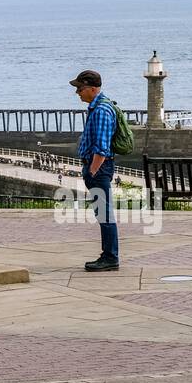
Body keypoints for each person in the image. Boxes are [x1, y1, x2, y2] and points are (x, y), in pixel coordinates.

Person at [71, 69, 119, 272]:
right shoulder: (99, 106)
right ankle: (108, 254)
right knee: (103, 213)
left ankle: (110, 257)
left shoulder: (101, 110)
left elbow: (102, 148)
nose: (77, 93)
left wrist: (91, 171)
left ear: (92, 88)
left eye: (80, 88)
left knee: (104, 213)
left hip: (99, 168)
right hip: (98, 167)